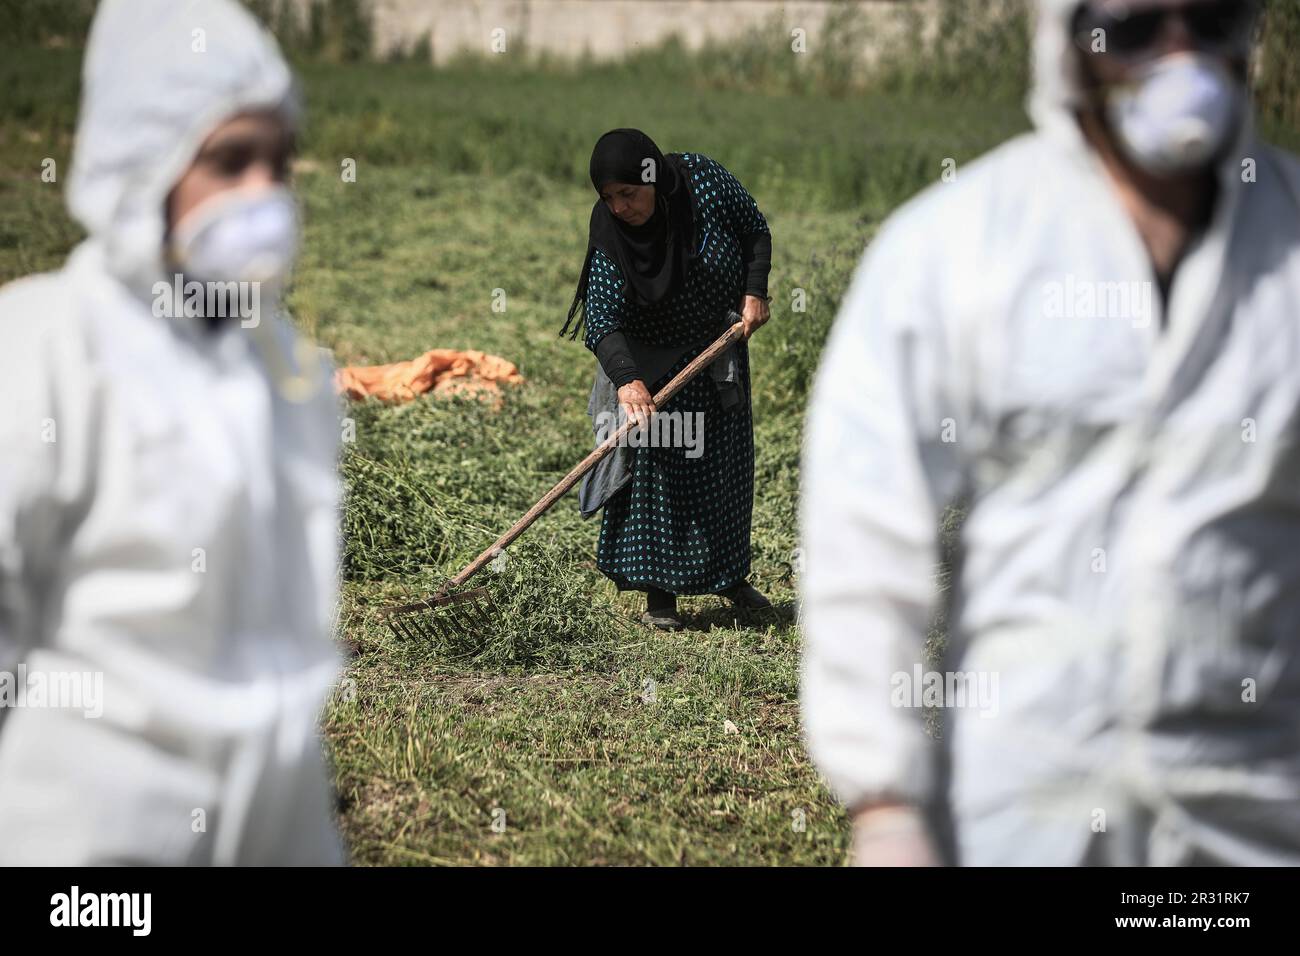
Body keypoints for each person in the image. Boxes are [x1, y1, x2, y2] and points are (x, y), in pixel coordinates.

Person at [800, 0, 1300, 865]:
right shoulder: (959, 246)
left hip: (1255, 809)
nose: (1180, 53)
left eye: (1210, 17)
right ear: (1070, 48)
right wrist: (882, 803)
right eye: (1138, 28)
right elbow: (863, 531)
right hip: (1018, 802)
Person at [0, 0, 343, 864]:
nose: (264, 193)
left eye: (279, 162)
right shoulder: (44, 348)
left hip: (278, 820)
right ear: (145, 164)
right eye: (229, 162)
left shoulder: (284, 365)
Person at [563, 129, 774, 630]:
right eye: (608, 197)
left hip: (715, 351)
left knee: (723, 466)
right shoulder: (611, 233)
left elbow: (754, 229)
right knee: (656, 472)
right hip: (651, 365)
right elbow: (603, 318)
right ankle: (660, 597)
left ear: (653, 176)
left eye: (628, 193)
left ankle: (728, 576)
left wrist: (754, 291)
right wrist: (628, 381)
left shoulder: (703, 182)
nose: (619, 207)